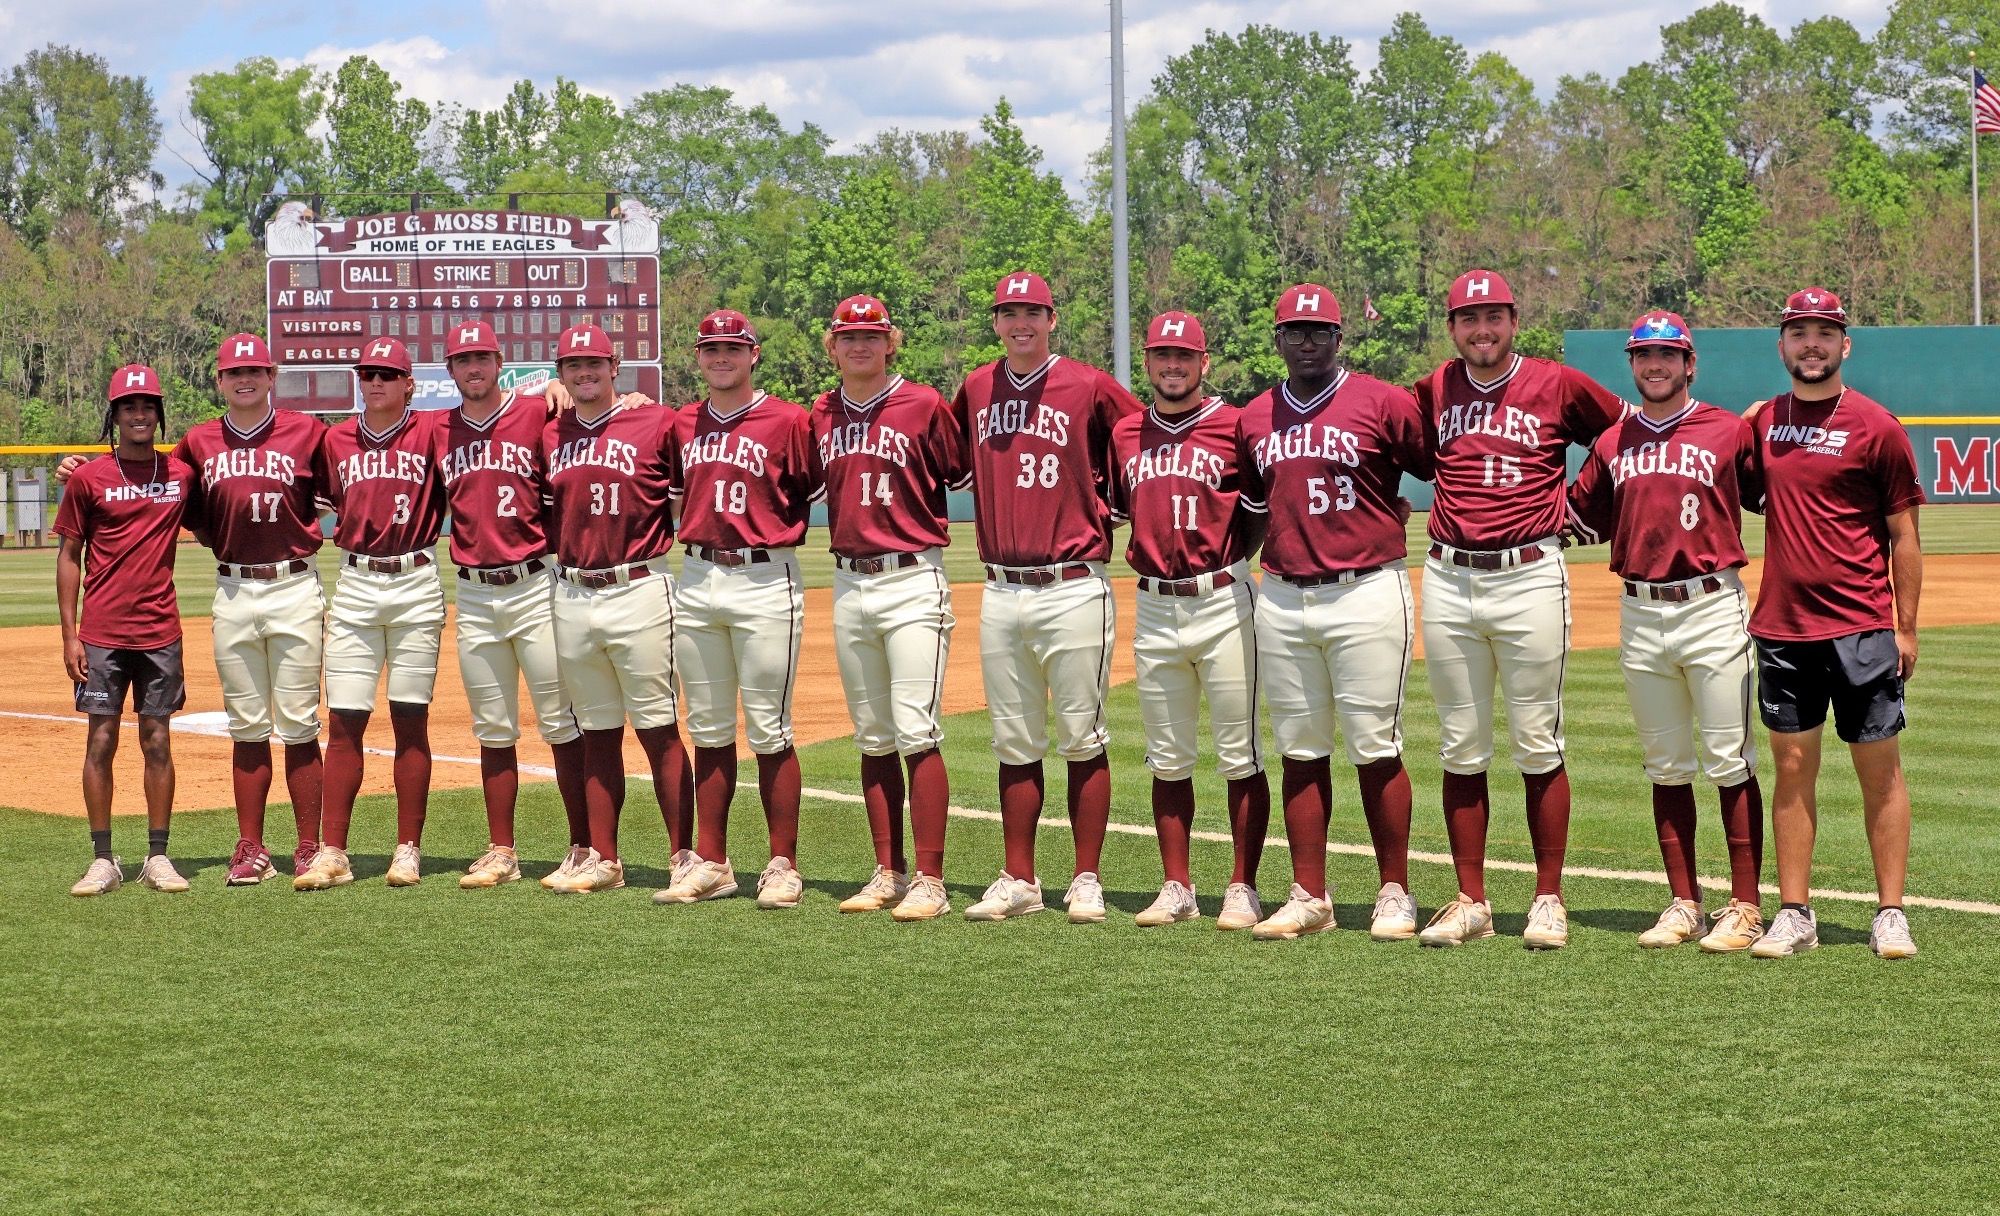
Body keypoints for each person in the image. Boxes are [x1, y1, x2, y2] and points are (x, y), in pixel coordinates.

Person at [1412, 271, 1628, 949]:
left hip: (1530, 573)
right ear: (1452, 327)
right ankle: (1471, 899)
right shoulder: (1434, 389)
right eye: (1469, 319)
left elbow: (1628, 430)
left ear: (1515, 319)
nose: (1483, 329)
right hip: (1448, 575)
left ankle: (1548, 898)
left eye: (1494, 317)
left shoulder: (1557, 383)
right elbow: (1403, 452)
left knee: (1538, 742)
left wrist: (1584, 505)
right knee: (1461, 745)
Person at [1566, 311, 1767, 951]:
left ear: (1689, 364)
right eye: (1643, 356)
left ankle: (1744, 905)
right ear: (1632, 365)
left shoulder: (1730, 431)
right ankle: (1684, 902)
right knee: (1666, 765)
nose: (1654, 366)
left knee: (1729, 759)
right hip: (1640, 610)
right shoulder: (1611, 442)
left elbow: (1778, 492)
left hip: (1711, 605)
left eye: (1667, 355)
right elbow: (1582, 518)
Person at [1237, 286, 1432, 941]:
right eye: (1295, 331)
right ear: (1278, 340)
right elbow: (1252, 506)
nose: (1308, 341)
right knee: (1301, 750)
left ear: (1339, 338)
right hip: (1284, 593)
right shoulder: (1254, 417)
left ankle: (1395, 892)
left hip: (1366, 590)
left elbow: (1432, 462)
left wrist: (1397, 510)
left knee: (1376, 746)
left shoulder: (1380, 400)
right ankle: (1309, 894)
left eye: (1320, 331)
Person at [950, 271, 1143, 923]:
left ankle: (1085, 877)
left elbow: (1144, 437)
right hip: (1002, 587)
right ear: (997, 322)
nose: (1020, 322)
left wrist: (1117, 501)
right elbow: (944, 456)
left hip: (1073, 584)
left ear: (1052, 319)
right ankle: (1020, 878)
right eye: (1009, 312)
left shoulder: (1089, 385)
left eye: (1032, 310)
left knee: (1082, 737)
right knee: (1014, 741)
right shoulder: (977, 387)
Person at [1743, 289, 1924, 961]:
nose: (1811, 343)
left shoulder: (1877, 425)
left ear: (1845, 345)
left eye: (1825, 332)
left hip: (1862, 627)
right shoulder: (1761, 425)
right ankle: (1795, 912)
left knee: (1880, 772)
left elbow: (1903, 535)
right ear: (1782, 345)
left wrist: (1906, 629)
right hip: (1785, 627)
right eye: (1799, 333)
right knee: (1792, 769)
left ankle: (1891, 912)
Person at [1107, 311, 1270, 930]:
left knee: (1240, 753)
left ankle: (1242, 886)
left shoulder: (1235, 427)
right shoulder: (1126, 433)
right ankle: (1176, 885)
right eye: (1160, 356)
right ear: (1147, 362)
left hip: (1223, 599)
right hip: (1153, 604)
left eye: (1184, 356)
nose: (1171, 366)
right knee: (1167, 756)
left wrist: (1232, 564)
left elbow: (1257, 514)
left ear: (1205, 363)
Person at [656, 310, 823, 910]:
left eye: (732, 348)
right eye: (710, 349)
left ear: (753, 355)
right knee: (708, 727)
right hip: (698, 575)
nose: (720, 358)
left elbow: (808, 488)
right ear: (698, 358)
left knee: (770, 728)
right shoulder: (681, 423)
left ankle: (782, 864)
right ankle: (714, 862)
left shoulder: (789, 420)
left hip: (763, 576)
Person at [810, 295, 965, 921]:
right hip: (850, 583)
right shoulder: (820, 412)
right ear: (832, 346)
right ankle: (887, 871)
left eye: (871, 336)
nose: (859, 346)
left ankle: (930, 878)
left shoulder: (924, 403)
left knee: (915, 729)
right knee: (873, 736)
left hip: (910, 576)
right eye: (848, 337)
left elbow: (957, 474)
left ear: (890, 342)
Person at [433, 319, 595, 891]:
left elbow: (596, 405)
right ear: (448, 369)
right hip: (474, 591)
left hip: (533, 584)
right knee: (493, 727)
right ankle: (502, 849)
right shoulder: (437, 429)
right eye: (462, 360)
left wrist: (618, 394)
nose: (473, 368)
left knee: (560, 721)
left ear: (499, 362)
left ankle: (584, 846)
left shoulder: (537, 411)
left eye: (482, 358)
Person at [540, 323, 695, 893]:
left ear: (615, 366)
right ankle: (605, 858)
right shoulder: (549, 433)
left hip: (639, 586)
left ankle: (685, 856)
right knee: (599, 731)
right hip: (573, 589)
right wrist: (541, 398)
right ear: (561, 374)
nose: (585, 372)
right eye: (572, 365)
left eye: (594, 363)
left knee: (658, 727)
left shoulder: (656, 421)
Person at [176, 334, 329, 885]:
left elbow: (343, 488)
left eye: (255, 370)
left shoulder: (308, 432)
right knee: (246, 724)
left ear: (272, 377)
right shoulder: (197, 442)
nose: (245, 378)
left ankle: (310, 846)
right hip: (234, 589)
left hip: (293, 585)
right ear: (219, 382)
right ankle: (252, 847)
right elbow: (171, 496)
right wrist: (81, 469)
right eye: (233, 371)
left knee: (299, 722)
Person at [295, 338, 447, 890]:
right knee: (345, 720)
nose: (376, 382)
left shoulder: (435, 429)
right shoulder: (334, 439)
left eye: (388, 374)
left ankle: (408, 849)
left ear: (409, 383)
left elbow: (503, 413)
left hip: (416, 580)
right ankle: (334, 850)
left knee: (410, 718)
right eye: (368, 374)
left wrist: (553, 388)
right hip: (356, 581)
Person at [54, 365, 196, 895]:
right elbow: (69, 557)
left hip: (161, 629)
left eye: (148, 406)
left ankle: (157, 857)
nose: (140, 415)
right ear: (113, 416)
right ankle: (103, 858)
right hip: (102, 633)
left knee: (158, 740)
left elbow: (213, 514)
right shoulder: (89, 478)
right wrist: (70, 634)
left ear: (160, 414)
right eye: (129, 407)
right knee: (102, 739)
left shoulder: (180, 475)